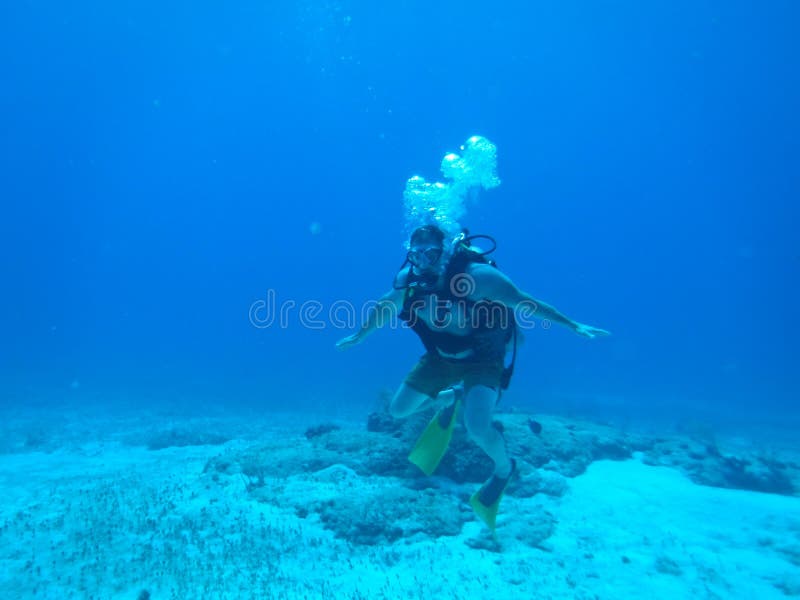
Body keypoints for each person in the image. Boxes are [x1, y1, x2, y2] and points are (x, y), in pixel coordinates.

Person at [336, 224, 609, 530]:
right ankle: (454, 396)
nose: (424, 262)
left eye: (431, 254)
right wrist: (360, 336)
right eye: (416, 255)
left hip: (483, 359)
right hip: (440, 357)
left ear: (446, 253)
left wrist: (572, 325)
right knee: (398, 410)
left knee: (478, 427)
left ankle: (504, 469)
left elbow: (525, 301)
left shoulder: (478, 277)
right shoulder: (407, 281)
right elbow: (386, 306)